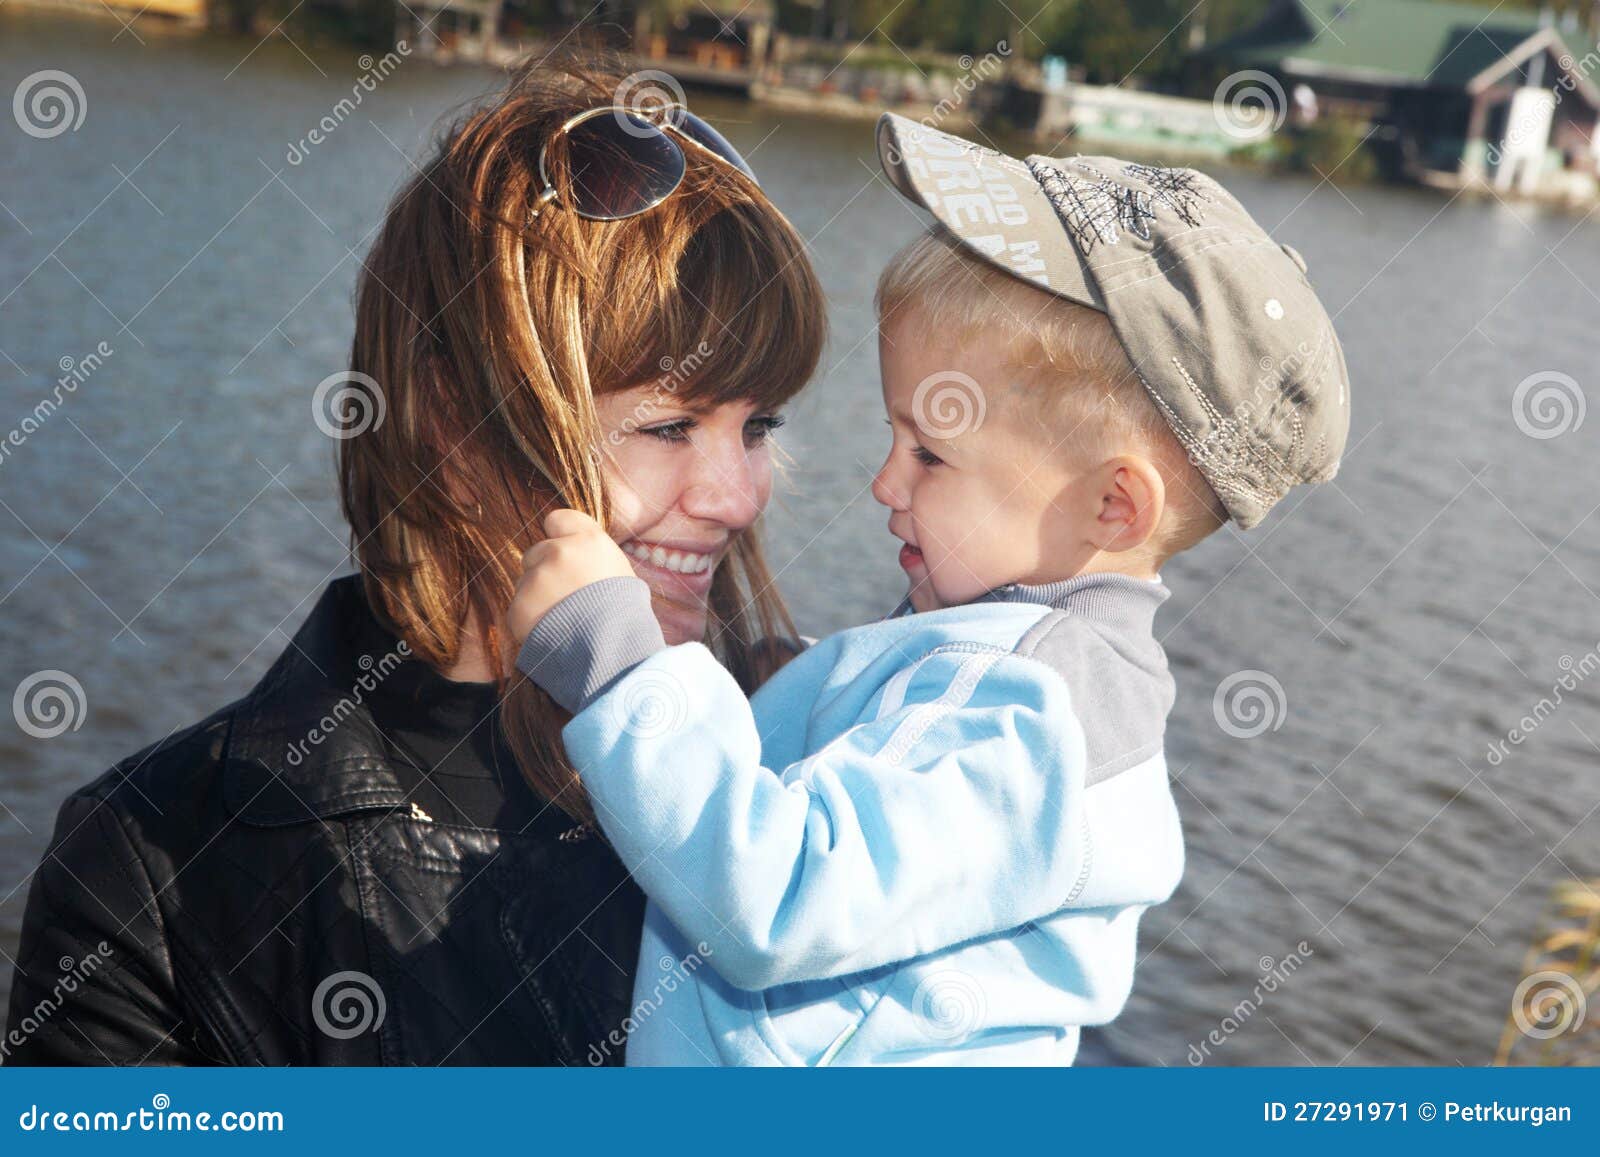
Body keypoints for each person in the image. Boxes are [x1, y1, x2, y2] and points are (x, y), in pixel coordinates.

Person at [2, 58, 825, 1065]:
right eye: (668, 426)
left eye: (758, 425)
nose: (737, 496)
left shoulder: (819, 774)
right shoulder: (159, 872)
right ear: (454, 420)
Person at [503, 114, 1352, 1065]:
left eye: (931, 454)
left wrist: (619, 667)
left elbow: (776, 899)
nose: (883, 484)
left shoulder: (1026, 716)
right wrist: (805, 699)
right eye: (893, 437)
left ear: (1114, 505)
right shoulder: (1042, 668)